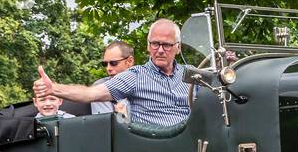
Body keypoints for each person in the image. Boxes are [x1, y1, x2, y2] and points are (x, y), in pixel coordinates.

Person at [33, 19, 191, 127]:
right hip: (153, 147)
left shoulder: (192, 76)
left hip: (193, 145)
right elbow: (90, 94)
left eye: (167, 45)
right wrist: (53, 89)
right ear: (148, 46)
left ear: (178, 47)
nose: (160, 50)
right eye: (155, 44)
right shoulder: (134, 76)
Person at [91, 40, 134, 117]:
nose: (108, 68)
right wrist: (122, 116)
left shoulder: (147, 83)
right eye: (105, 64)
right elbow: (107, 125)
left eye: (113, 63)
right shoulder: (101, 88)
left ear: (129, 61)